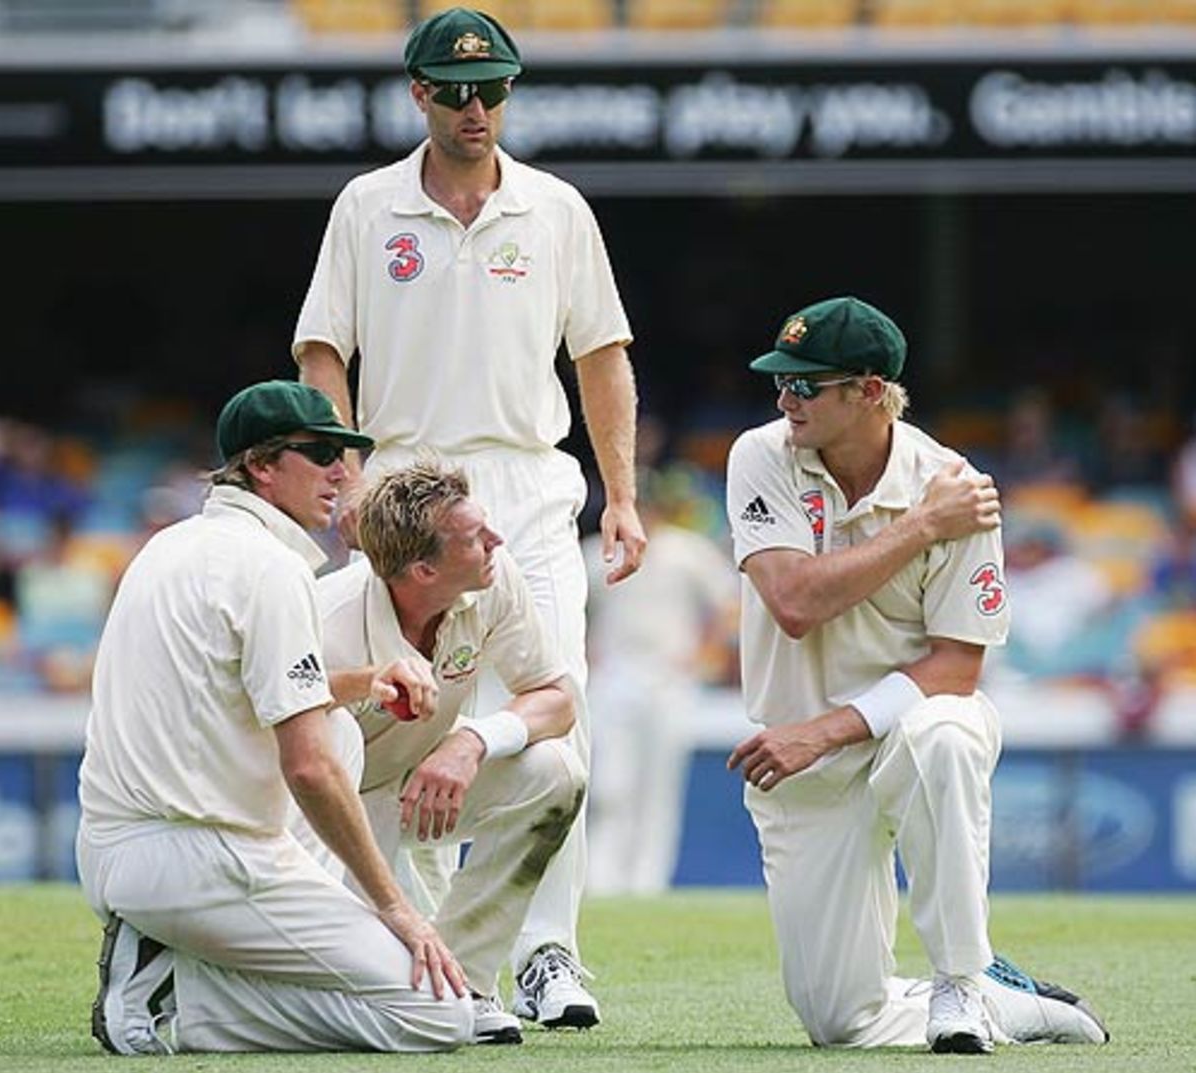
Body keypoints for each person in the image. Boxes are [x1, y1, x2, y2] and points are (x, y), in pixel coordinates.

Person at [292, 6, 645, 1026]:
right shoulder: (368, 206)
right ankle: (400, 941)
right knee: (387, 708)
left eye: (491, 89)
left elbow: (601, 354)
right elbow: (323, 349)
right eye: (454, 92)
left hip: (525, 486)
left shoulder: (555, 208)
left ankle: (547, 954)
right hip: (404, 486)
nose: (475, 108)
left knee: (556, 699)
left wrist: (622, 494)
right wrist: (347, 478)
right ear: (420, 95)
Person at [724, 296, 1109, 1053]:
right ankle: (1010, 1004)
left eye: (805, 385)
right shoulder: (763, 455)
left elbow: (958, 666)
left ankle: (962, 979)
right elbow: (795, 602)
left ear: (869, 390)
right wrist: (924, 524)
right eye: (780, 382)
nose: (785, 399)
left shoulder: (956, 482)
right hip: (804, 756)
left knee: (946, 736)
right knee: (841, 1021)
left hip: (908, 720)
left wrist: (828, 729)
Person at [76, 381, 473, 1055]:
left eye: (344, 454)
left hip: (117, 852)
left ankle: (171, 960)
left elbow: (232, 693)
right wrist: (395, 907)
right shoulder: (269, 567)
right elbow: (308, 768)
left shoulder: (169, 545)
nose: (341, 472)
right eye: (320, 454)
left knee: (339, 727)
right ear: (261, 465)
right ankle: (181, 998)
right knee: (441, 1014)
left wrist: (363, 681)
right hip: (204, 860)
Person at [300, 459, 587, 1043]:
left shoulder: (493, 576)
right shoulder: (324, 619)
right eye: (476, 537)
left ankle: (466, 984)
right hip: (321, 822)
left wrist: (472, 740)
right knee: (354, 1000)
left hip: (420, 791)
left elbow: (557, 699)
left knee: (556, 771)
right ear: (424, 569)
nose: (497, 540)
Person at [584, 466, 738, 894]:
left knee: (659, 785)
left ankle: (647, 883)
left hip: (669, 680)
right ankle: (601, 878)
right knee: (609, 782)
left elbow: (728, 605)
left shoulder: (687, 552)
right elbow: (567, 611)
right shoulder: (598, 553)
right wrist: (586, 656)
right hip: (614, 677)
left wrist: (701, 655)